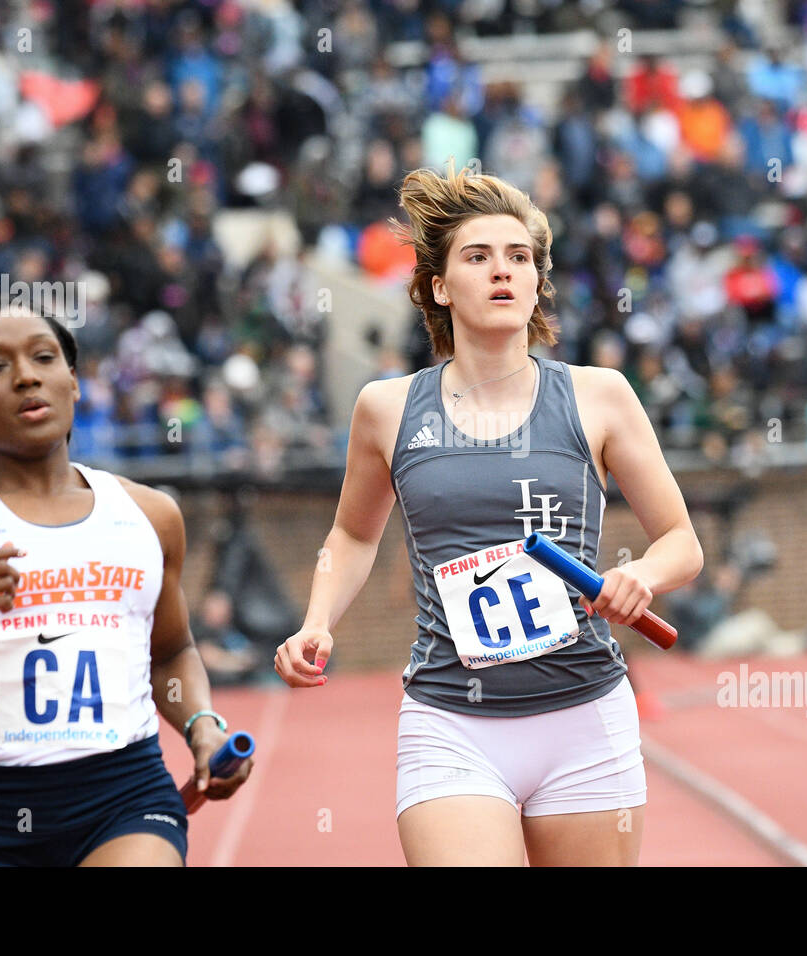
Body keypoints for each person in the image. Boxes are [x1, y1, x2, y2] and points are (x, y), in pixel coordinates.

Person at [274, 164, 703, 866]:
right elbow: (353, 534)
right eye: (478, 257)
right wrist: (317, 621)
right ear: (439, 287)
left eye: (519, 258)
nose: (503, 271)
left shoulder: (599, 396)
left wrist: (642, 579)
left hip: (585, 719)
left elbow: (683, 542)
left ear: (537, 283)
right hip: (451, 721)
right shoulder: (387, 408)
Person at [0, 296, 252, 866]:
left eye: (44, 357)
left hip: (127, 794)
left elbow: (171, 651)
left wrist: (203, 728)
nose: (25, 377)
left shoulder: (150, 515)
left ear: (74, 381)